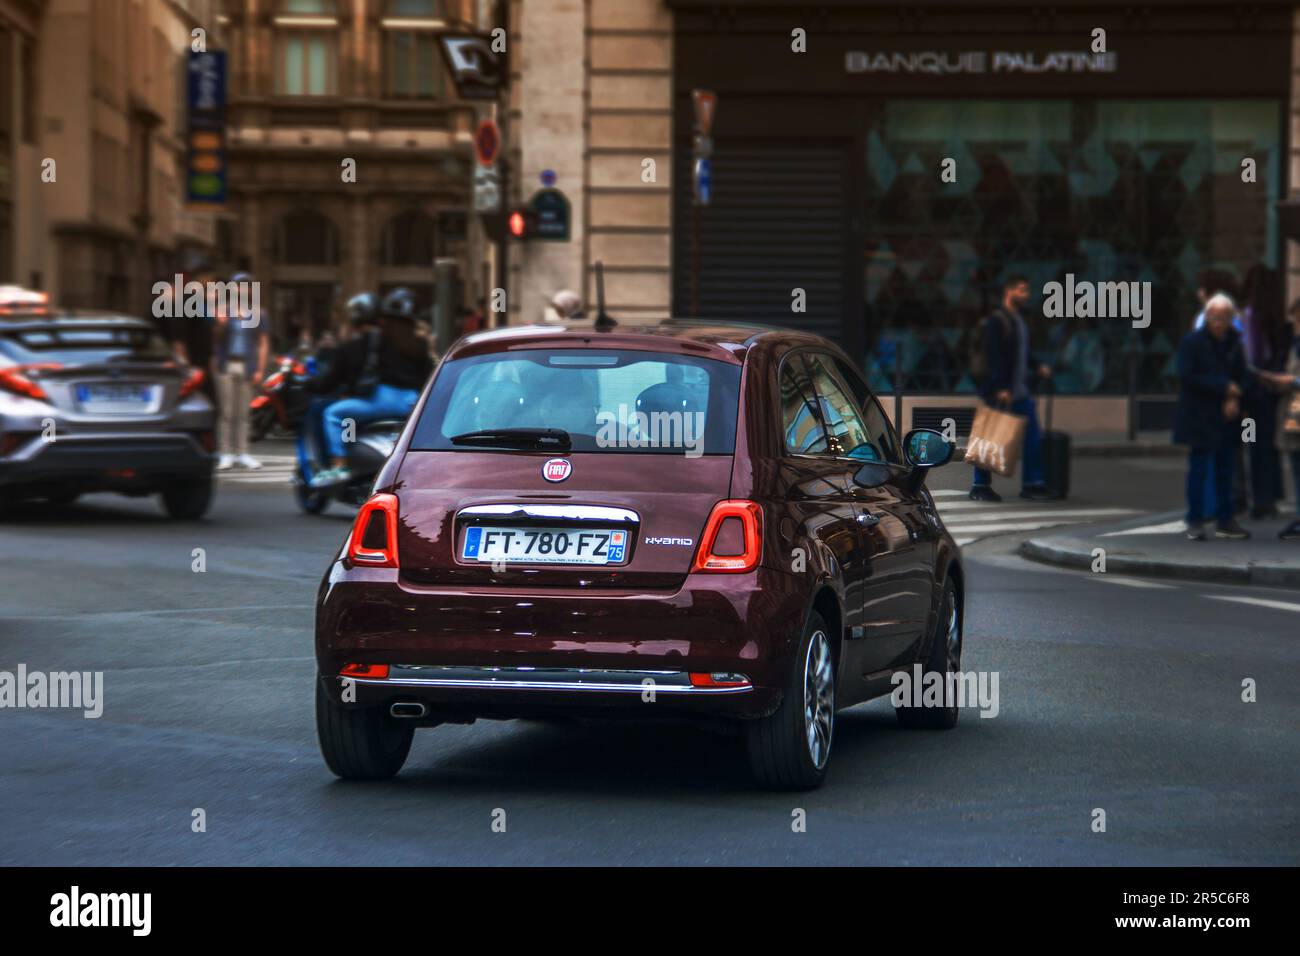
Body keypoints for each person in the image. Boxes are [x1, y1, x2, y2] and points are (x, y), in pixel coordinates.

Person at [1173, 293, 1293, 540]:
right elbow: (1188, 376)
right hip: (1200, 415)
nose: (1218, 323)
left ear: (1230, 319)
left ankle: (1225, 518)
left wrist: (1234, 395)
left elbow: (1243, 375)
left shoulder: (1234, 343)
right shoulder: (1193, 342)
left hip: (1228, 417)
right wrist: (1224, 387)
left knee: (1225, 469)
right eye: (1214, 317)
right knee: (1199, 468)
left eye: (1223, 318)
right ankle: (1195, 519)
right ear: (1207, 317)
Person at [309, 287, 435, 488]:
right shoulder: (420, 343)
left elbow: (350, 370)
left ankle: (339, 465)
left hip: (382, 400)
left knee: (333, 415)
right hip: (411, 402)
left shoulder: (378, 339)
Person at [969, 274, 1053, 503]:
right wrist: (1000, 386)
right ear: (1010, 291)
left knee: (1032, 437)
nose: (1027, 295)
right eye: (1022, 290)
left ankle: (1032, 484)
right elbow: (994, 355)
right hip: (1000, 389)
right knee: (988, 436)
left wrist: (1037, 366)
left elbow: (1021, 354)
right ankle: (980, 486)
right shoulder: (997, 321)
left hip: (1019, 391)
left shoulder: (1018, 320)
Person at [212, 271, 270, 470]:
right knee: (226, 412)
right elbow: (214, 339)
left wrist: (260, 369)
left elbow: (262, 343)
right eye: (237, 286)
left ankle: (242, 452)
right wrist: (220, 324)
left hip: (247, 365)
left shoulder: (258, 314)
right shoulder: (222, 311)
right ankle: (225, 453)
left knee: (243, 413)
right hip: (226, 365)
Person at [1276, 299, 1300, 540]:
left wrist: (1289, 381)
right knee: (1295, 462)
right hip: (1294, 410)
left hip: (1297, 407)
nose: (1296, 324)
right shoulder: (1296, 342)